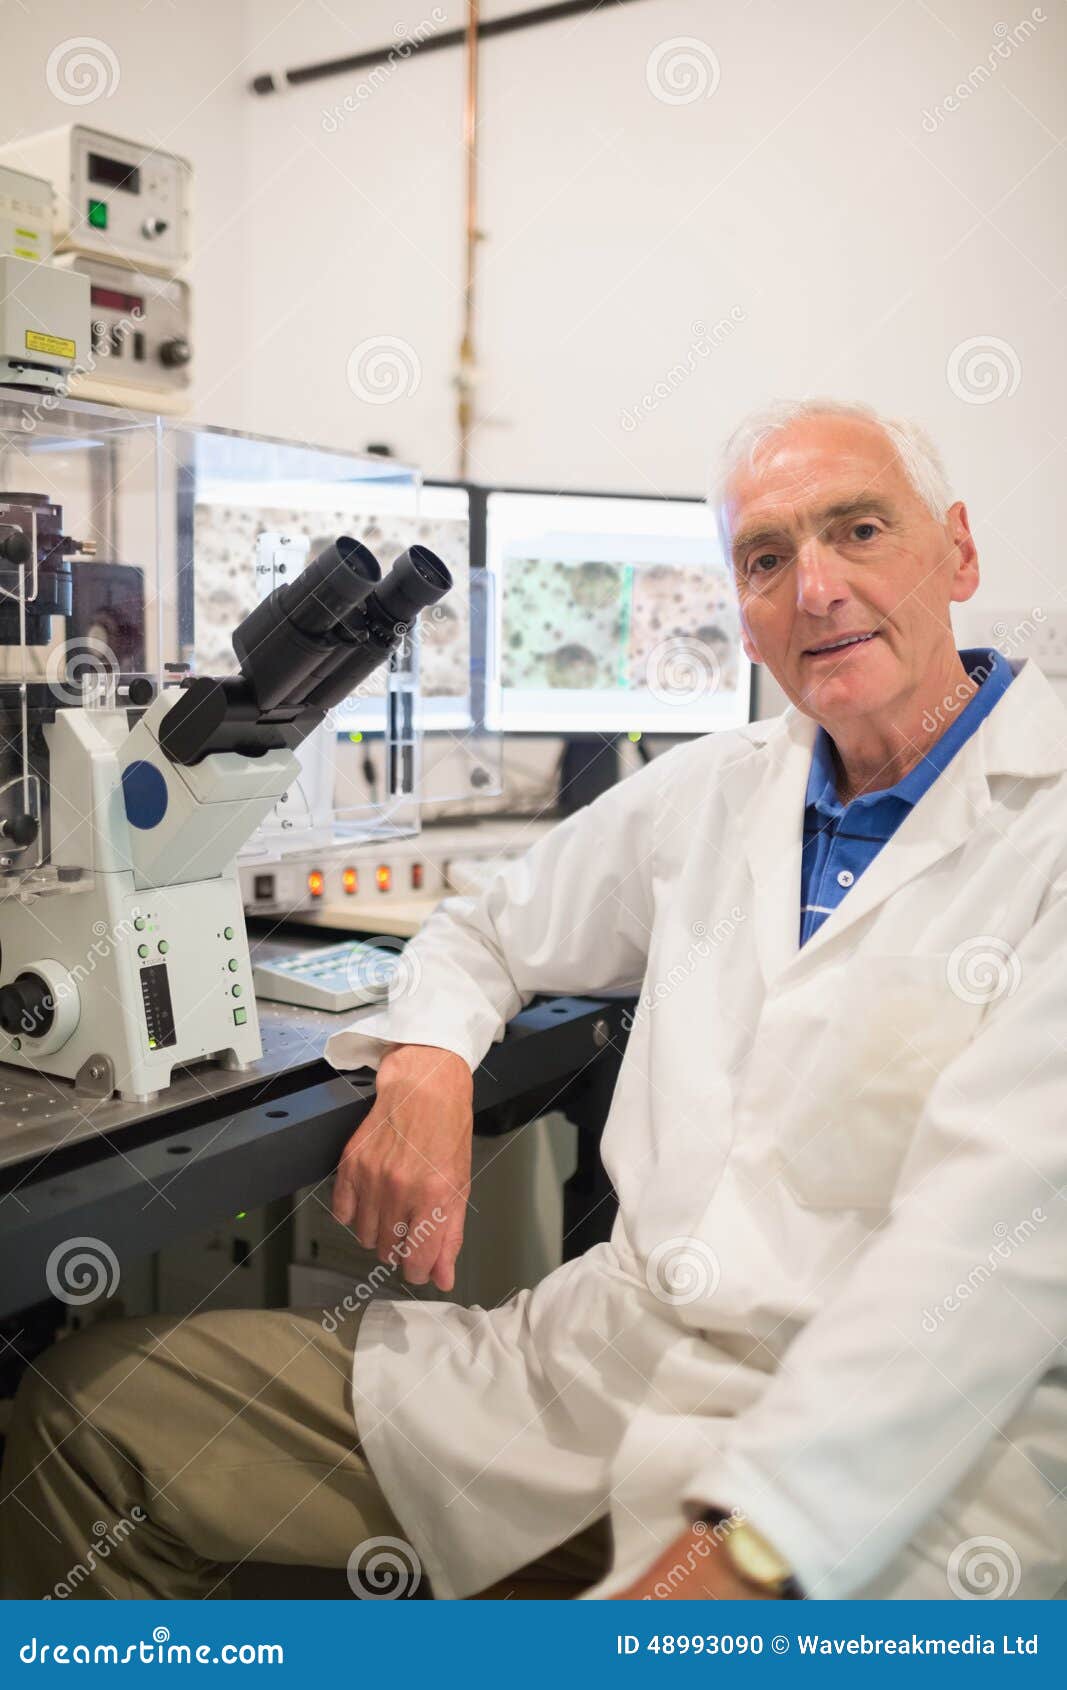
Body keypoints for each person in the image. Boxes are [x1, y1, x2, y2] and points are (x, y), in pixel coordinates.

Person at [4, 399, 1066, 1603]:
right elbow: (482, 924)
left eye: (858, 530)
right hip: (595, 1389)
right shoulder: (717, 788)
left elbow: (986, 1252)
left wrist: (760, 1546)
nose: (812, 588)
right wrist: (427, 1058)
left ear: (956, 552)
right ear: (740, 608)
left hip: (901, 1474)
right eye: (764, 558)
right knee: (100, 1422)